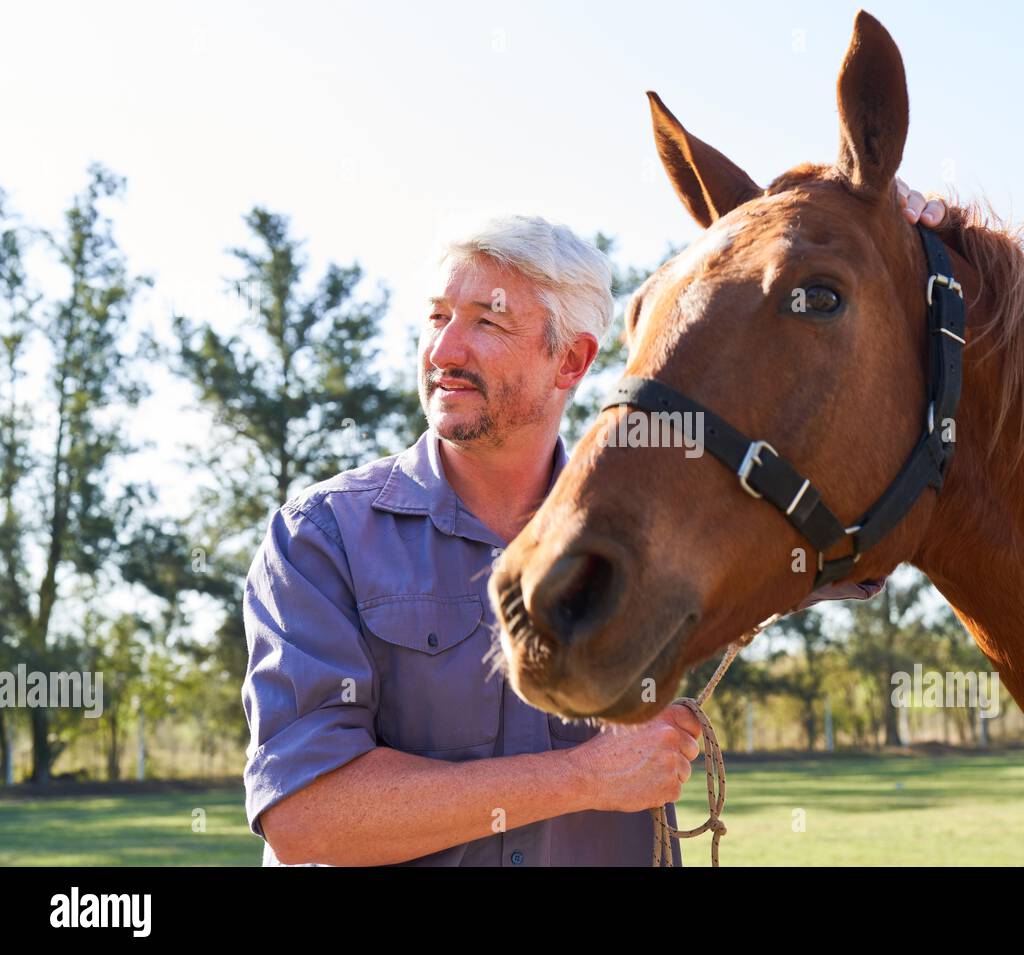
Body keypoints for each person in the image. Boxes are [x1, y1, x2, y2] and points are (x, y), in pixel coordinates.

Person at [241, 181, 943, 866]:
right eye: (435, 317)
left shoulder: (657, 521)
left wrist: (890, 244)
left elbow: (860, 523)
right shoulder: (320, 538)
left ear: (571, 360)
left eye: (486, 321)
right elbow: (306, 814)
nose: (444, 351)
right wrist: (587, 777)